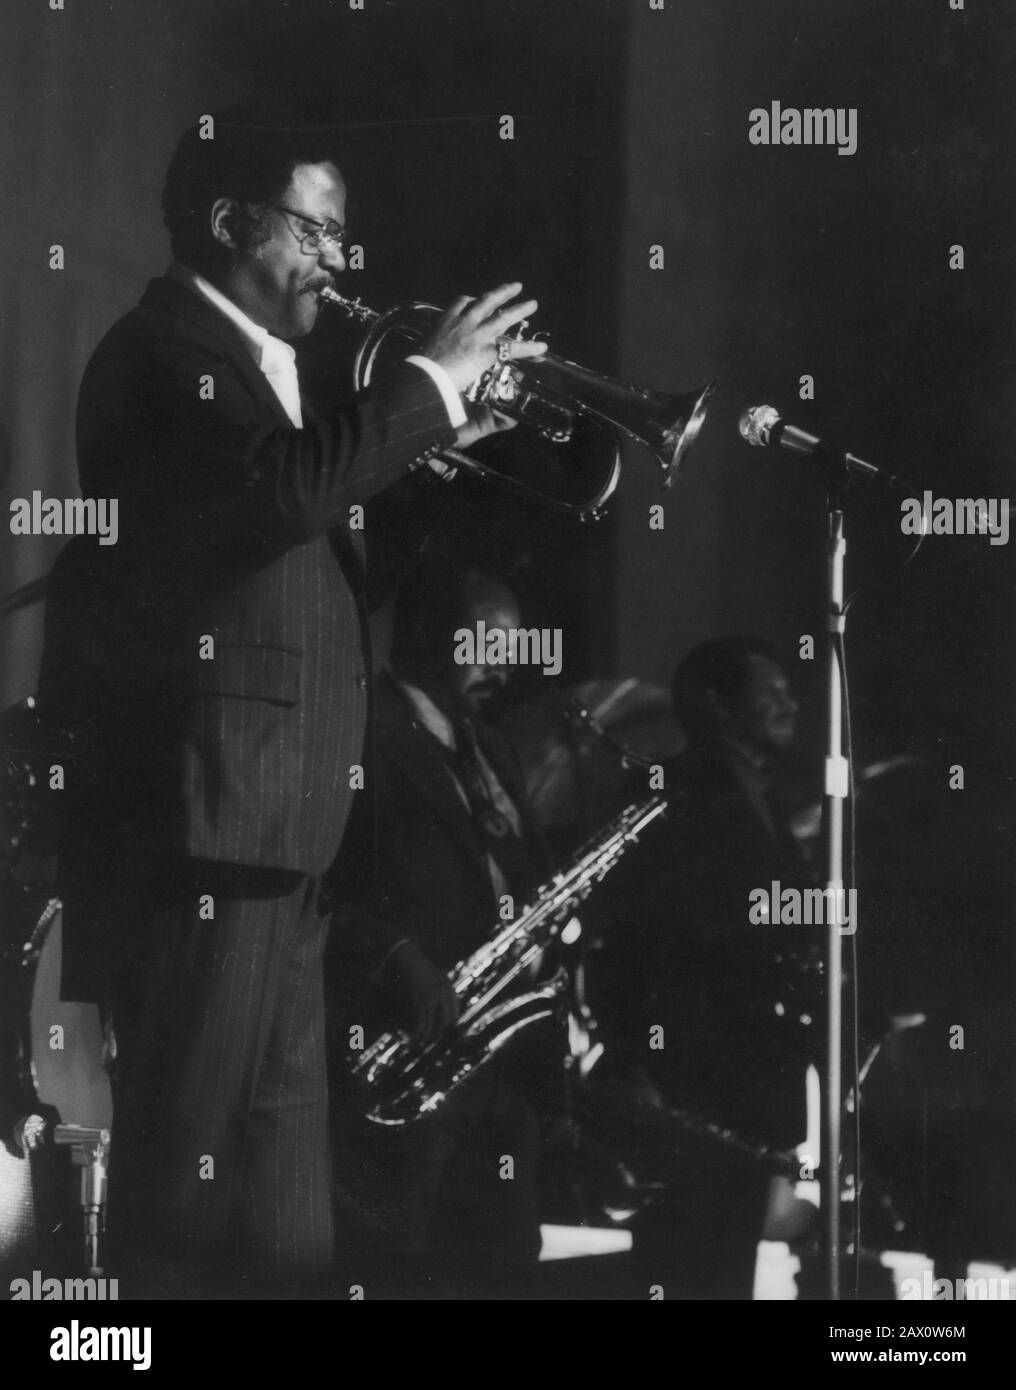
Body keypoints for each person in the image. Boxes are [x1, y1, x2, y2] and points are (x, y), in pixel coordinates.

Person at [36, 108, 546, 1298]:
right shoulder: (158, 354)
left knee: (283, 1225)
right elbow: (266, 498)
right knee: (187, 1199)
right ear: (227, 223)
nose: (335, 260)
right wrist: (424, 389)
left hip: (282, 836)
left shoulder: (276, 378)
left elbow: (312, 552)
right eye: (316, 230)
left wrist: (448, 427)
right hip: (204, 832)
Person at [324, 564, 561, 1296]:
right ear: (430, 634)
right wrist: (400, 958)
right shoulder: (356, 730)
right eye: (492, 643)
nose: (506, 666)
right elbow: (319, 889)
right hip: (405, 1059)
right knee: (402, 1271)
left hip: (501, 1069)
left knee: (505, 1268)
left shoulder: (495, 744)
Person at [591, 637, 819, 1299]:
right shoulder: (674, 791)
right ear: (718, 704)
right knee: (691, 1270)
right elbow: (634, 943)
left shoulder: (760, 797)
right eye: (769, 691)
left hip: (743, 1087)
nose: (790, 703)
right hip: (689, 1089)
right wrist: (639, 1060)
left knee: (723, 1272)